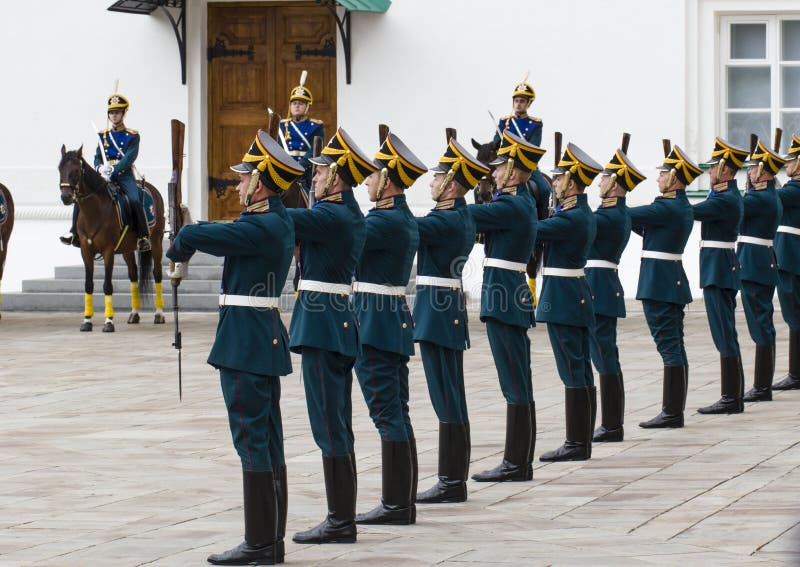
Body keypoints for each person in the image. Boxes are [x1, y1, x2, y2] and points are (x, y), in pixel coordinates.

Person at [166, 130, 304, 565]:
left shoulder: (260, 225)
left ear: (260, 184)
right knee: (267, 440)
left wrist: (181, 237)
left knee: (252, 441)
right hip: (258, 336)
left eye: (245, 179)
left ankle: (260, 542)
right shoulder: (274, 220)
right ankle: (271, 540)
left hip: (246, 342)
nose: (238, 185)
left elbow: (201, 237)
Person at [288, 128, 377, 545]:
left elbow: (283, 218)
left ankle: (340, 521)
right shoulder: (340, 213)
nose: (314, 177)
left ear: (337, 176)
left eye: (320, 171)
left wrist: (270, 184)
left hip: (325, 329)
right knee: (335, 424)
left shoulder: (333, 215)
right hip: (332, 326)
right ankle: (341, 518)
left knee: (330, 425)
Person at [353, 131, 426, 526]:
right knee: (397, 411)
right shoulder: (399, 217)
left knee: (387, 414)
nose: (366, 181)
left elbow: (344, 238)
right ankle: (403, 501)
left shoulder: (384, 221)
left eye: (373, 175)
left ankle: (396, 504)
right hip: (389, 321)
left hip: (376, 325)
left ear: (390, 180)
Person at [414, 138, 489, 503]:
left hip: (438, 310)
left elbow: (407, 229)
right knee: (450, 396)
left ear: (452, 184)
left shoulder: (446, 220)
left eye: (437, 177)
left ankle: (451, 481)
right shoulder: (457, 216)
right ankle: (452, 479)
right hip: (444, 308)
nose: (431, 182)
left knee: (446, 397)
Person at [468, 130, 542, 482]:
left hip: (504, 298)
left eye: (498, 169)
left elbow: (467, 218)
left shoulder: (511, 205)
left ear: (513, 172)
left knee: (514, 381)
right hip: (510, 295)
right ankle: (520, 459)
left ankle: (515, 463)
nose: (492, 174)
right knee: (518, 380)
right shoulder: (519, 201)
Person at [536, 143, 600, 461]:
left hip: (563, 298)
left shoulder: (572, 218)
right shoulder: (577, 213)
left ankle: (576, 443)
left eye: (559, 179)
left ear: (572, 183)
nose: (555, 184)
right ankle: (582, 438)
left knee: (572, 370)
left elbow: (533, 230)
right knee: (580, 368)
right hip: (573, 295)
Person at [632, 145, 702, 429]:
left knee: (670, 348)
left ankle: (672, 413)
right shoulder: (678, 206)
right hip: (669, 282)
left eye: (662, 174)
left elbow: (628, 215)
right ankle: (674, 411)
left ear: (674, 178)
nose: (658, 179)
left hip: (659, 284)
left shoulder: (666, 207)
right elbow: (644, 225)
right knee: (675, 347)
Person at [587, 149, 646, 443]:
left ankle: (612, 425)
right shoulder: (613, 212)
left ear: (616, 184)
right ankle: (611, 423)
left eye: (604, 179)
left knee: (604, 356)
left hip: (599, 287)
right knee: (603, 355)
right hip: (600, 285)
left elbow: (582, 225)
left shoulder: (609, 216)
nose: (599, 183)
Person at [693, 138, 749, 414]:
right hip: (718, 266)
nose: (710, 172)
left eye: (714, 167)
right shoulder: (722, 196)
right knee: (723, 332)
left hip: (719, 269)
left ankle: (731, 397)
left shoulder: (725, 200)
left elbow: (690, 211)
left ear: (726, 170)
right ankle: (732, 395)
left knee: (724, 333)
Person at [61, 92, 151, 251]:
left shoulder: (132, 135)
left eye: (117, 112)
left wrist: (114, 170)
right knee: (81, 196)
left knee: (134, 200)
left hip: (123, 176)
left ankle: (143, 236)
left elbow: (130, 157)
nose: (114, 115)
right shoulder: (103, 135)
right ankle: (74, 232)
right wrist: (100, 168)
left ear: (123, 113)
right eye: (111, 112)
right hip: (103, 175)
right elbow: (97, 157)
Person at [491, 79, 550, 300]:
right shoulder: (504, 121)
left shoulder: (536, 124)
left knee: (543, 189)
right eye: (516, 100)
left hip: (525, 165)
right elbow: (496, 143)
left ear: (528, 104)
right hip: (504, 163)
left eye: (522, 101)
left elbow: (533, 148)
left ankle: (543, 219)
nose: (518, 104)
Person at [737, 139, 786, 400]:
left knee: (761, 324)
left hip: (755, 264)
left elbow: (734, 208)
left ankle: (762, 386)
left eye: (754, 167)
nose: (750, 171)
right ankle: (762, 385)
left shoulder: (761, 198)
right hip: (757, 262)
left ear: (765, 171)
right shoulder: (765, 195)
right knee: (761, 323)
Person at [772, 134, 800, 393]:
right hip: (792, 256)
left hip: (791, 258)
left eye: (791, 160)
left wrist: (764, 178)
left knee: (794, 315)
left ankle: (796, 372)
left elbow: (774, 200)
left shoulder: (794, 190)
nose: (787, 164)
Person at [279, 78, 325, 195]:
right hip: (285, 171)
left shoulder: (315, 127)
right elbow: (278, 148)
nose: (297, 106)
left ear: (307, 106)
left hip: (306, 173)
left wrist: (299, 168)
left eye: (301, 103)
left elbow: (314, 151)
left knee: (314, 197)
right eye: (294, 103)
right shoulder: (282, 126)